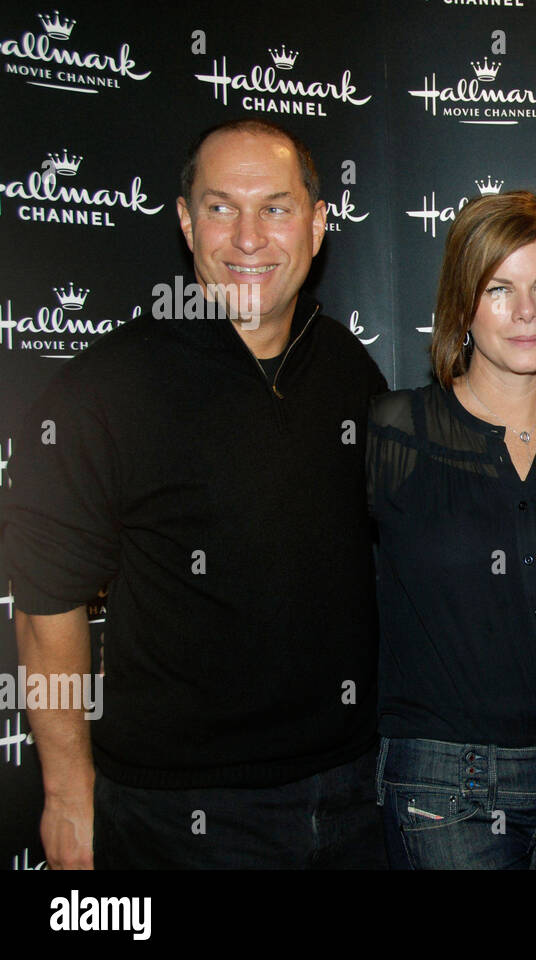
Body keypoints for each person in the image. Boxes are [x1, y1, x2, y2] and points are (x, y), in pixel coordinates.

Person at [0, 119, 388, 869]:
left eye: (275, 207)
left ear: (317, 224)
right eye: (220, 207)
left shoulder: (348, 367)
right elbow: (48, 607)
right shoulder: (105, 389)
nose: (248, 237)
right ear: (185, 223)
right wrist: (66, 793)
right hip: (178, 816)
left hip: (355, 797)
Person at [369, 191, 536, 869]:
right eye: (499, 288)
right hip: (444, 793)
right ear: (462, 306)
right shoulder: (392, 435)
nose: (527, 311)